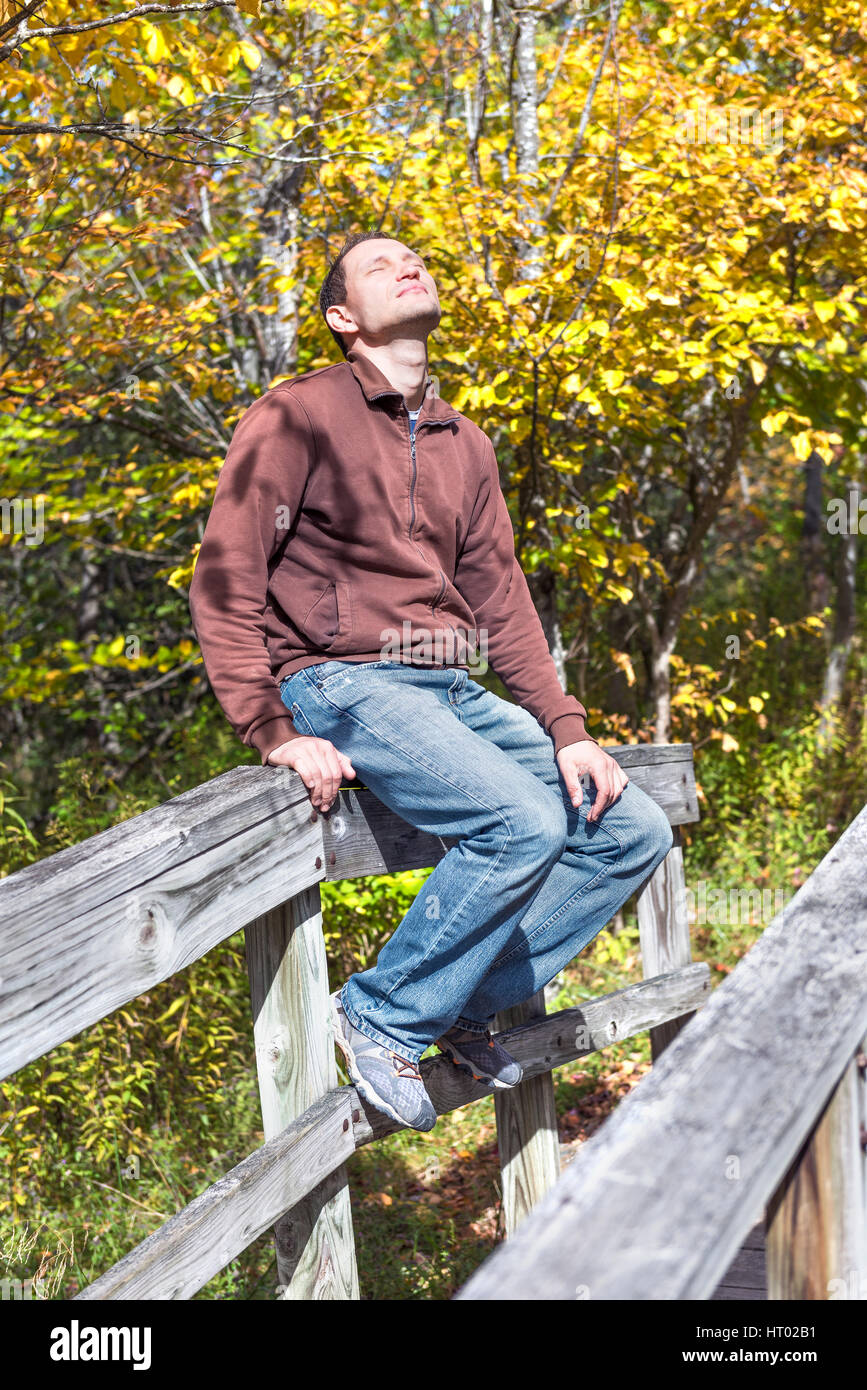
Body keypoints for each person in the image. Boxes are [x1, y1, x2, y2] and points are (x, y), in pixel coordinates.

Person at [189, 229, 674, 1132]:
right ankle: (379, 1010)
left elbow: (502, 601)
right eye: (379, 266)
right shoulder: (296, 416)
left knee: (631, 829)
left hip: (450, 688)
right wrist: (271, 728)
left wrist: (567, 728)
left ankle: (452, 1006)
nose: (406, 265)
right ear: (343, 317)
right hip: (341, 682)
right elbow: (224, 576)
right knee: (519, 822)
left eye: (414, 257)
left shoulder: (465, 443)